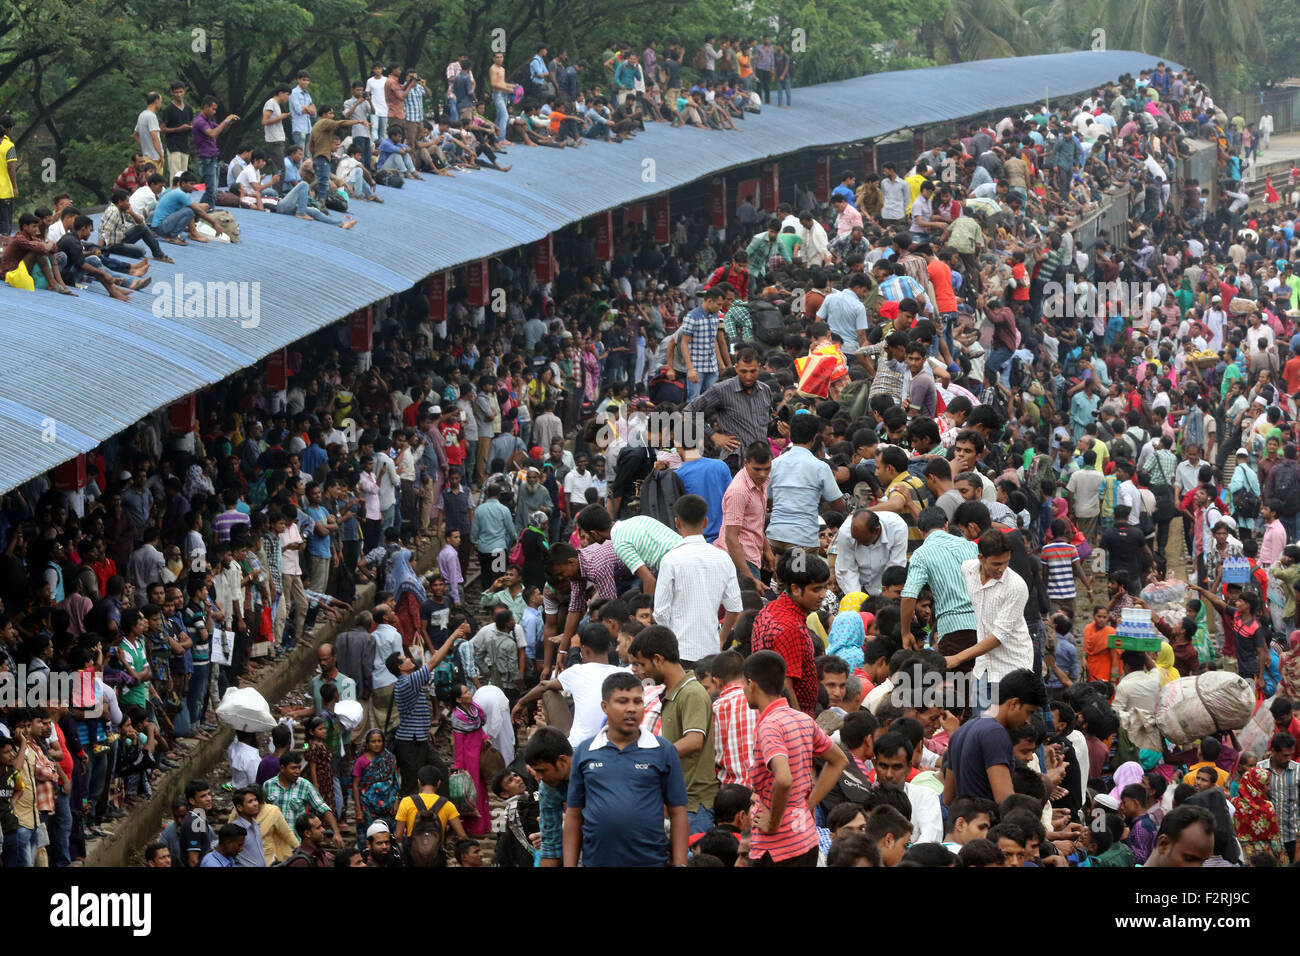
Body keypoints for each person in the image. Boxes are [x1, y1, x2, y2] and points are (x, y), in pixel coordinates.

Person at [564, 671, 689, 866]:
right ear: (605, 707)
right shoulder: (585, 751)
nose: (631, 708)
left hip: (650, 862)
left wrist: (680, 864)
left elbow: (678, 812)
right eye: (622, 701)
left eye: (637, 702)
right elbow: (573, 815)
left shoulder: (663, 750)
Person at [743, 649, 848, 866]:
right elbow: (839, 760)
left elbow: (783, 779)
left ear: (751, 684)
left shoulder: (769, 725)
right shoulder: (801, 719)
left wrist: (773, 822)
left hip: (777, 847)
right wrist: (807, 803)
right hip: (806, 838)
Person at [627, 625, 718, 834]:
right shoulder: (672, 692)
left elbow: (694, 741)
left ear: (658, 659)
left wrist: (649, 757)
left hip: (694, 804)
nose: (641, 671)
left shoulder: (692, 692)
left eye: (643, 664)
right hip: (678, 800)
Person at [653, 495, 742, 665]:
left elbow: (660, 613)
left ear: (677, 522)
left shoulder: (671, 559)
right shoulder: (723, 558)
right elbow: (734, 607)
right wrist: (720, 640)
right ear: (706, 522)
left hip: (679, 652)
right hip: (712, 651)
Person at [942, 668, 1046, 804]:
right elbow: (1004, 799)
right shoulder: (995, 733)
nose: (1028, 720)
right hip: (989, 822)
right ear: (1014, 703)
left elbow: (948, 798)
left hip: (963, 821)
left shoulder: (962, 731)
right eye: (1029, 712)